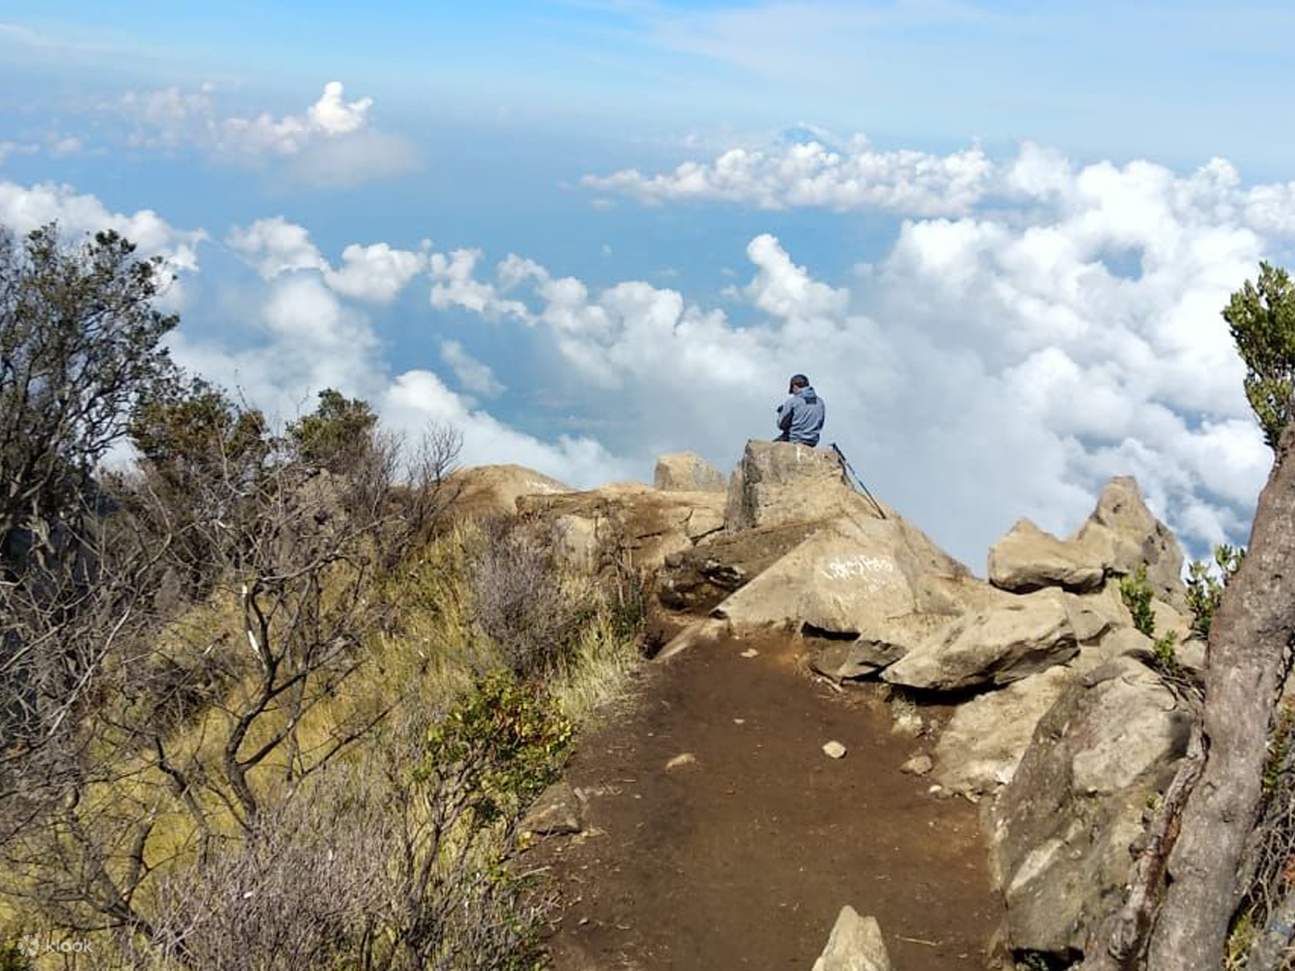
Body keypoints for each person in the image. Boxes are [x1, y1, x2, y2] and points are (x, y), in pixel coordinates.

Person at [775, 374, 825, 446]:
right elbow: (820, 423)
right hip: (813, 441)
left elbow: (781, 425)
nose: (793, 394)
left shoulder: (792, 402)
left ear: (795, 387)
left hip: (795, 440)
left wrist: (781, 413)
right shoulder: (820, 402)